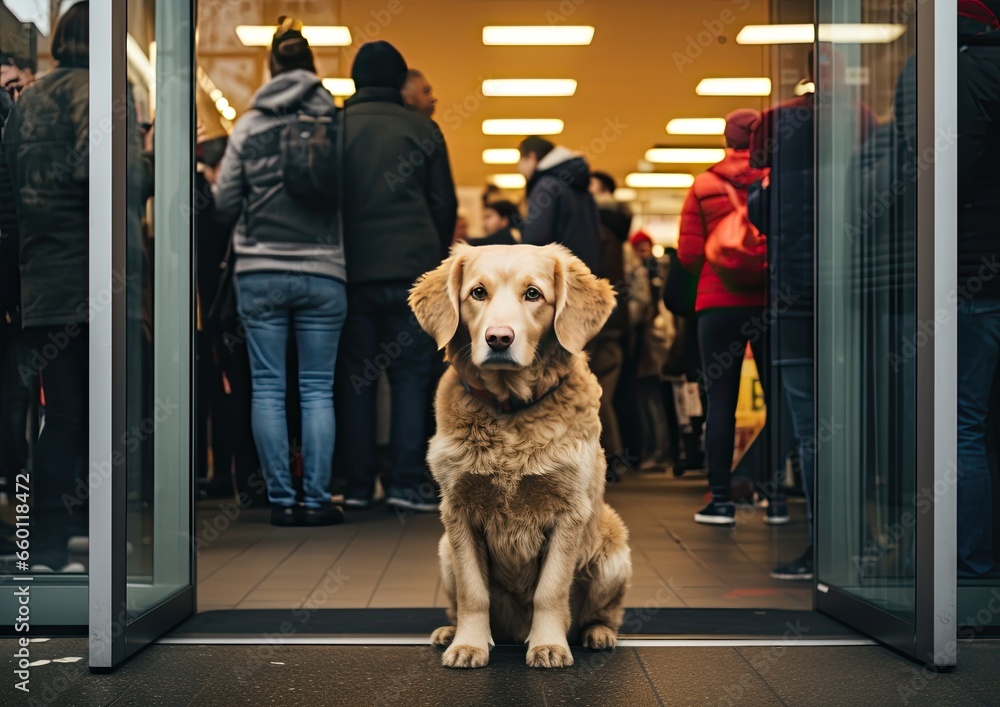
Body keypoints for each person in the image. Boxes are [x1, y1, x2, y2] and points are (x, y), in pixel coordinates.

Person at [214, 16, 346, 527]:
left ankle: (281, 501)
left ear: (270, 68)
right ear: (312, 69)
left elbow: (225, 202)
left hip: (260, 270)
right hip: (324, 271)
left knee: (267, 387)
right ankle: (316, 500)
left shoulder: (248, 124)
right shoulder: (335, 122)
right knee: (317, 388)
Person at [336, 40, 457, 512]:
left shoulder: (336, 127)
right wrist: (431, 257)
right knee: (410, 379)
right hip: (412, 274)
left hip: (351, 274)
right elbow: (443, 202)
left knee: (358, 380)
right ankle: (408, 482)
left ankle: (361, 485)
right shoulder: (424, 129)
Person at [3, 1, 92, 571]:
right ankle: (75, 534)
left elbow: (9, 198)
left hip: (39, 280)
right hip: (90, 277)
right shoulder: (92, 93)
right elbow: (99, 177)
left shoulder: (26, 101)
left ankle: (49, 540)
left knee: (58, 413)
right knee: (101, 414)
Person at [678, 109, 768, 526]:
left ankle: (720, 501)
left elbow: (689, 254)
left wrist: (718, 268)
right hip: (769, 301)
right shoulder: (774, 180)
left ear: (725, 139)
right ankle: (777, 499)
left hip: (716, 305)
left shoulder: (703, 185)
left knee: (720, 402)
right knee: (781, 398)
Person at [954, 0, 1000, 577]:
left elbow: (951, 175)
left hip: (972, 271)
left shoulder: (965, 70)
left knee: (960, 422)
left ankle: (965, 568)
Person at [517, 136, 601, 272]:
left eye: (520, 160)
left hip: (558, 275)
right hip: (584, 273)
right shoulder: (582, 189)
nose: (519, 167)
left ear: (531, 157)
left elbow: (535, 239)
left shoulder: (545, 186)